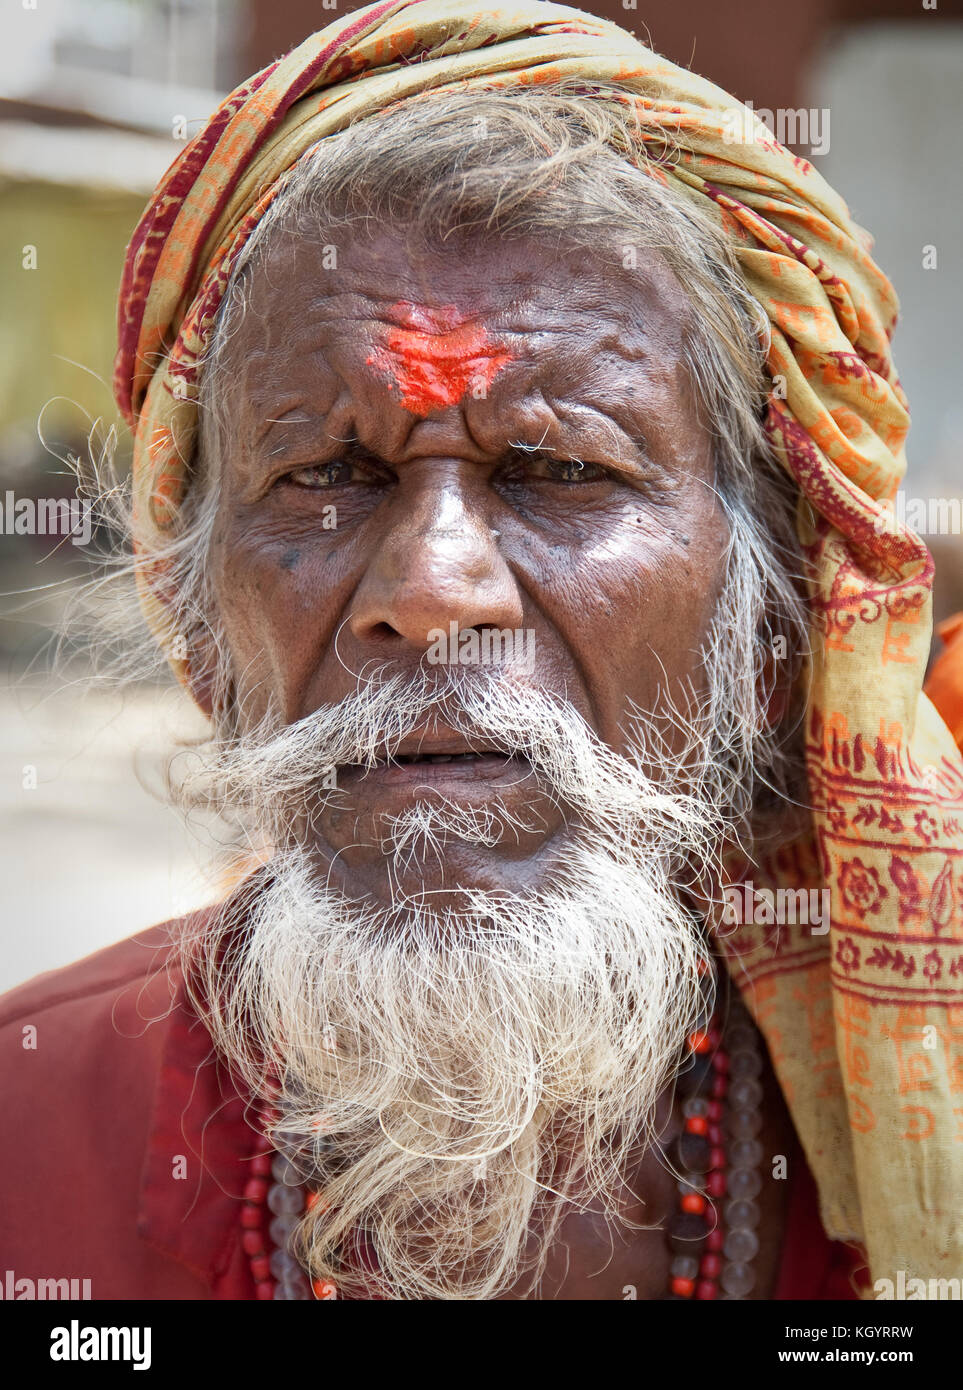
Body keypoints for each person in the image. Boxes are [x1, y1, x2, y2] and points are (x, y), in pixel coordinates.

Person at [3, 0, 962, 1301]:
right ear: (198, 611)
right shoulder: (32, 1131)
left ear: (769, 622)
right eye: (327, 471)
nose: (430, 588)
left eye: (561, 467)